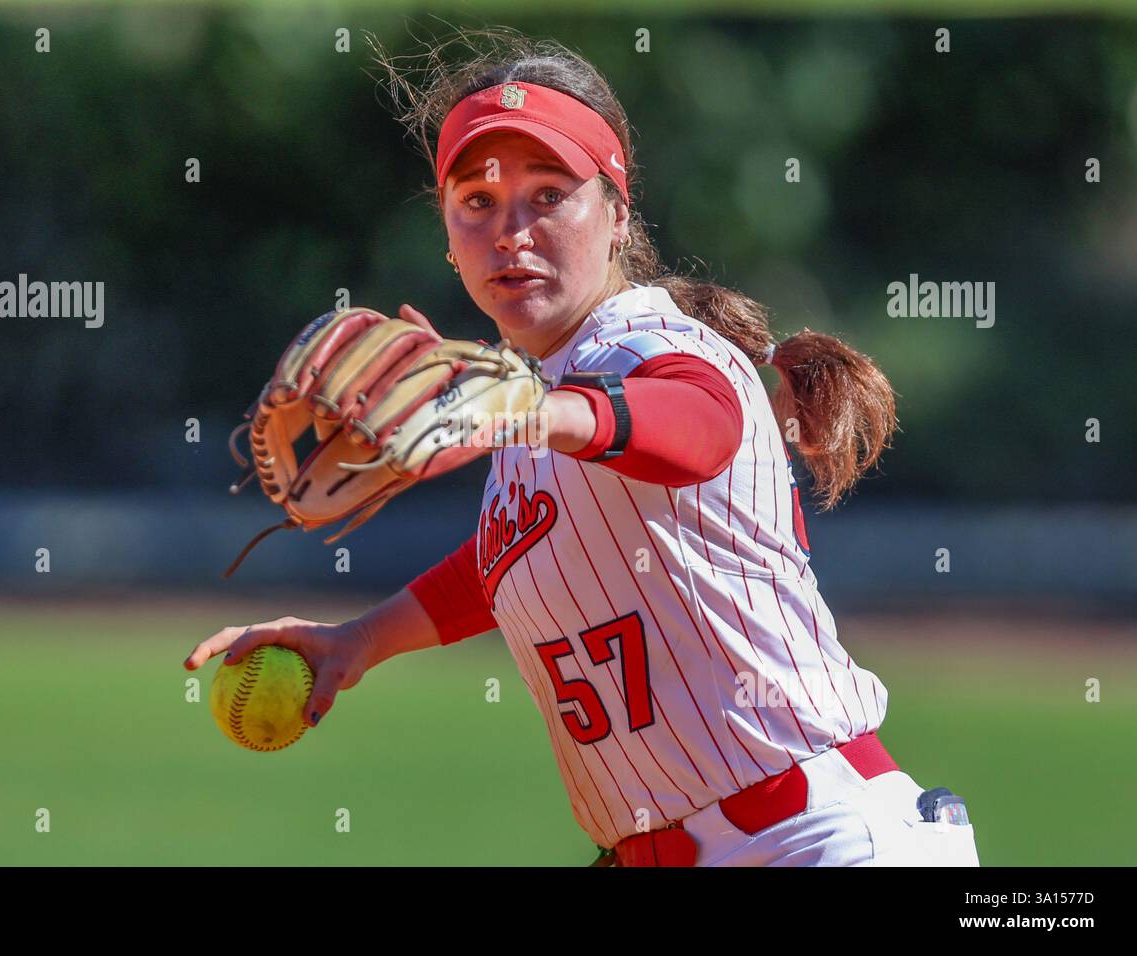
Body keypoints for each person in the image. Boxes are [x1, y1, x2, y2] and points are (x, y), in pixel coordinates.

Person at [184, 28, 979, 867]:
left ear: (617, 213)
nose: (512, 231)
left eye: (549, 193)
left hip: (816, 840)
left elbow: (700, 427)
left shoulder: (651, 350)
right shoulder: (540, 395)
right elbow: (510, 558)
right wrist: (361, 640)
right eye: (478, 203)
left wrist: (536, 413)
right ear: (449, 237)